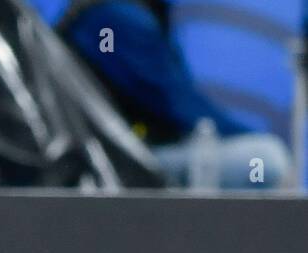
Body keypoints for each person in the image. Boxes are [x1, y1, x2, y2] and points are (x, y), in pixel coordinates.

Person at [52, 0, 291, 190]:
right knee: (266, 156)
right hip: (122, 165)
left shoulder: (108, 13)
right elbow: (178, 105)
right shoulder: (114, 17)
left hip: (113, 156)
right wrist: (246, 135)